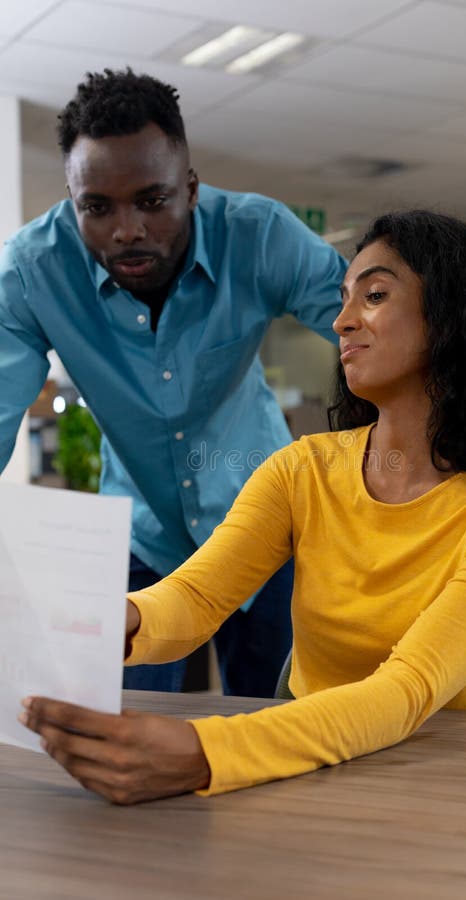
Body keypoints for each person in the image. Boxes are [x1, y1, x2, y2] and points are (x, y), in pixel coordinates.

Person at [19, 209, 466, 804]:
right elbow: (195, 598)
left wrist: (205, 753)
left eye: (374, 295)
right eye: (344, 299)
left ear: (457, 318)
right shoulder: (304, 469)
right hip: (299, 766)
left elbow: (407, 689)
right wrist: (110, 620)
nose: (343, 322)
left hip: (436, 780)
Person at [0, 69, 347, 696]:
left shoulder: (259, 236)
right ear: (72, 197)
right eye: (97, 207)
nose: (126, 229)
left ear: (189, 187)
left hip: (265, 526)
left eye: (152, 201)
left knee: (281, 722)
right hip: (142, 538)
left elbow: (377, 334)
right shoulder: (33, 271)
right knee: (127, 723)